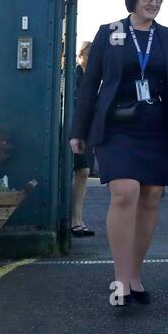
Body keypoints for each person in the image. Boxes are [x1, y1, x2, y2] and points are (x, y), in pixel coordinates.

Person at [70, 0, 168, 306]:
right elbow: (90, 84)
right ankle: (120, 279)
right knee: (125, 190)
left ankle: (135, 274)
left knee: (152, 196)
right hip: (117, 127)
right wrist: (78, 131)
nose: (153, 3)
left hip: (158, 127)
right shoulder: (110, 32)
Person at [69, 40, 95, 237]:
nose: (89, 57)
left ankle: (78, 218)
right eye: (86, 54)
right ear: (80, 56)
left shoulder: (94, 78)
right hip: (74, 129)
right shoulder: (72, 75)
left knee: (84, 172)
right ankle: (72, 220)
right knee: (78, 171)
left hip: (89, 129)